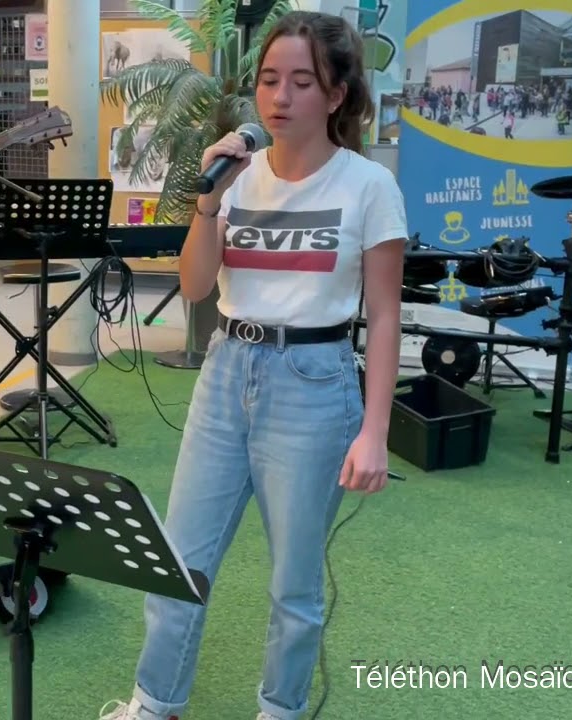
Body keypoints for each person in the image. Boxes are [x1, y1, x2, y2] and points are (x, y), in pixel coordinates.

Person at [100, 10, 405, 720]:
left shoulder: (367, 186)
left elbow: (385, 315)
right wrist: (208, 200)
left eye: (303, 81)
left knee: (293, 586)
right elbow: (197, 287)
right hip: (226, 370)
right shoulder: (235, 177)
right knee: (181, 560)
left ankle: (280, 709)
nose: (280, 96)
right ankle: (156, 702)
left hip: (314, 383)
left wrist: (375, 432)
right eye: (271, 79)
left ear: (336, 96)